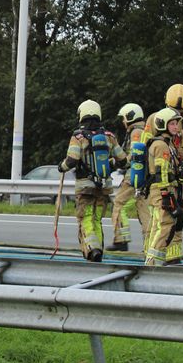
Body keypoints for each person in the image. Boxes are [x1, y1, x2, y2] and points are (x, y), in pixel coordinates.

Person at [58, 100, 127, 262]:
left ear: (81, 114)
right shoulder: (109, 136)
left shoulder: (78, 136)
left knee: (86, 218)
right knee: (97, 219)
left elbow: (72, 160)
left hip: (85, 186)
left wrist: (61, 167)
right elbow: (123, 161)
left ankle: (92, 249)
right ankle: (99, 250)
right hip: (104, 187)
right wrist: (109, 163)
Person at [144, 108, 183, 266]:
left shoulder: (167, 144)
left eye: (177, 123)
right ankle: (153, 262)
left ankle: (151, 260)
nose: (176, 127)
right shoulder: (161, 145)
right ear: (163, 125)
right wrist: (166, 194)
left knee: (158, 225)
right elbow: (161, 171)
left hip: (166, 189)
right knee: (165, 225)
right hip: (162, 189)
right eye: (172, 123)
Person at [109, 103, 151, 254]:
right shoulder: (144, 130)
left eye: (124, 118)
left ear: (130, 116)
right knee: (144, 210)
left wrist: (116, 163)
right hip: (145, 177)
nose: (123, 122)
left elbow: (132, 156)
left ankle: (121, 240)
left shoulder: (135, 133)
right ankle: (150, 246)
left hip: (134, 176)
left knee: (119, 204)